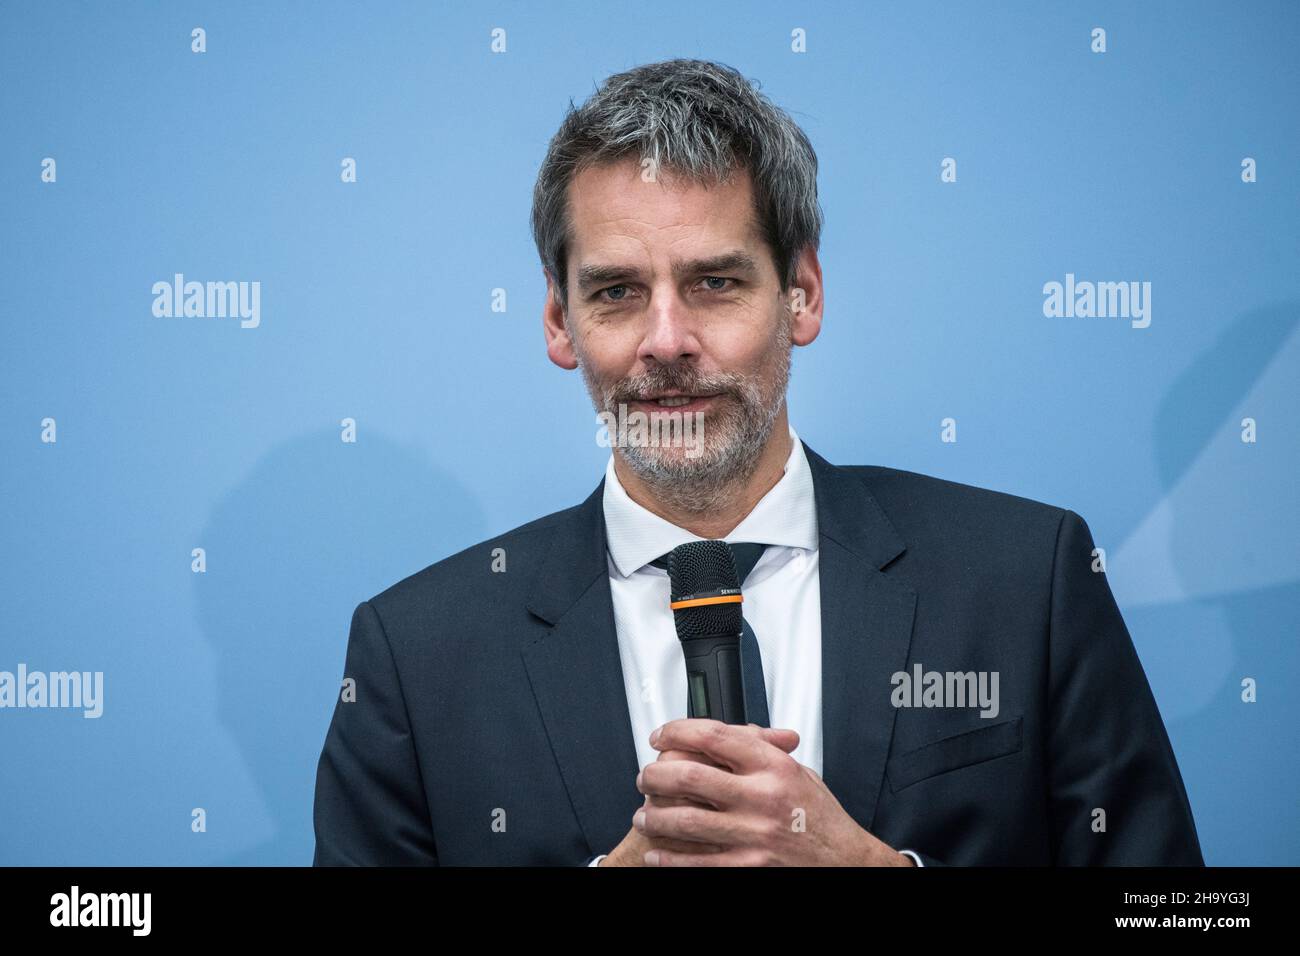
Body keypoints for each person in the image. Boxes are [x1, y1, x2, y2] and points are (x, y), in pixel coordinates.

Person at [312, 58, 1203, 867]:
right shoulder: (416, 659)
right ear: (559, 322)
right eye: (618, 292)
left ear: (803, 295)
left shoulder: (1024, 581)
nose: (667, 341)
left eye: (715, 282)